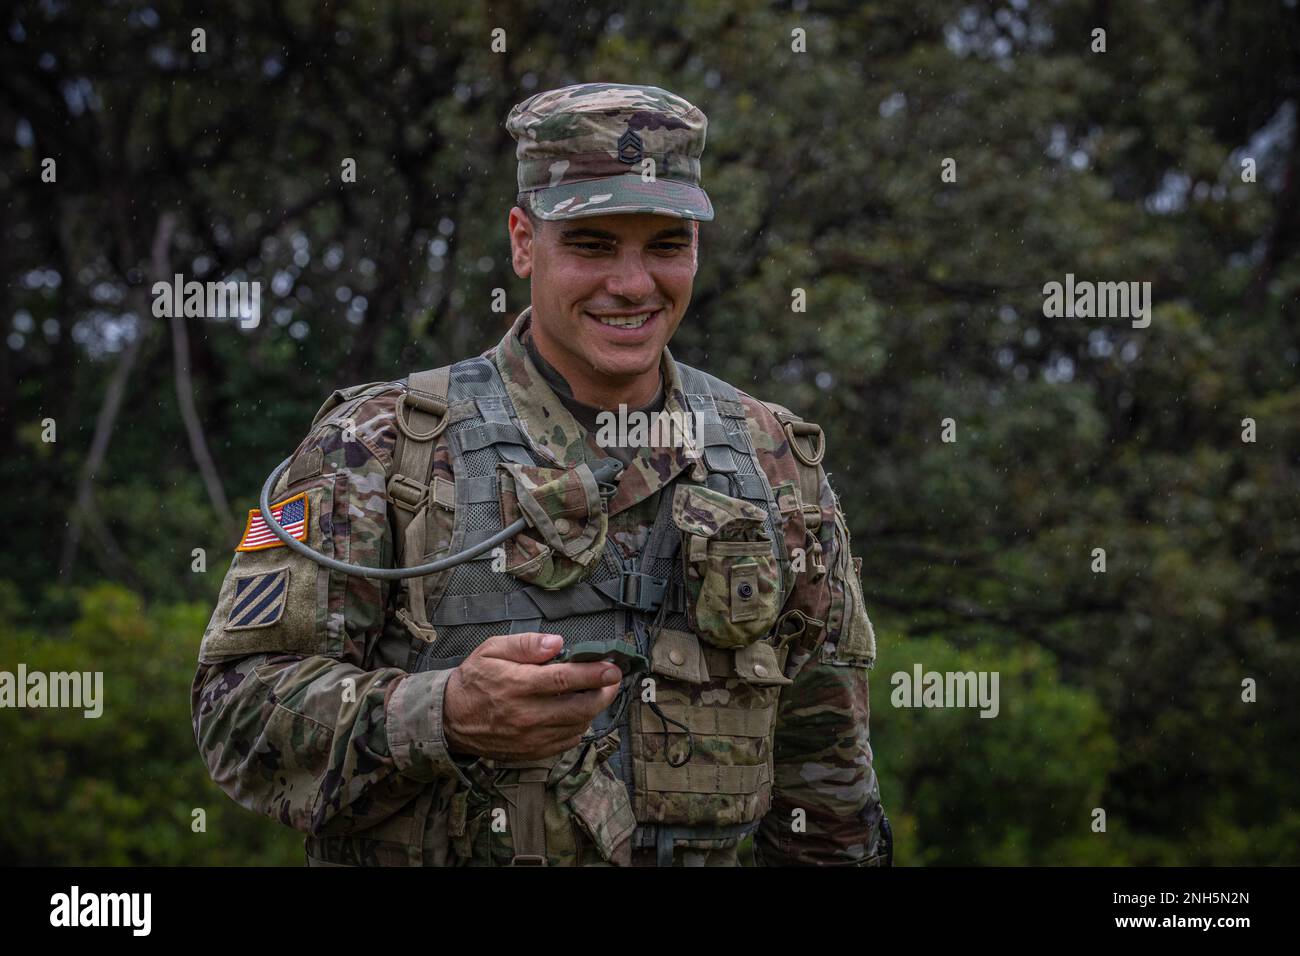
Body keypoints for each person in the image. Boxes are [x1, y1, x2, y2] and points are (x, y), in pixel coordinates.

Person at [191, 82, 891, 867]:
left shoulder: (776, 463)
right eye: (592, 244)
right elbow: (234, 714)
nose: (632, 284)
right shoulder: (378, 449)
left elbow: (827, 784)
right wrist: (443, 713)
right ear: (524, 241)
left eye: (666, 245)